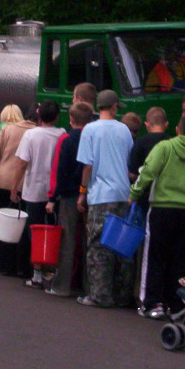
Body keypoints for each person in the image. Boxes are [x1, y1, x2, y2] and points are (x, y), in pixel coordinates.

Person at [130, 114, 185, 319]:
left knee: (156, 255)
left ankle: (153, 303)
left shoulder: (165, 147)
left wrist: (134, 194)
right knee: (179, 258)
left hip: (162, 208)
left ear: (178, 130)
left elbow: (148, 172)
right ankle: (175, 302)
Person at [76, 89, 135, 308]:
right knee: (120, 244)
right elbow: (128, 161)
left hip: (101, 193)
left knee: (97, 244)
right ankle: (122, 294)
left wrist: (83, 192)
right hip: (122, 192)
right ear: (113, 106)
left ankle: (99, 294)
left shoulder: (90, 130)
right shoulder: (124, 130)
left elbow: (88, 164)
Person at [13, 100, 67, 288]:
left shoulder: (31, 135)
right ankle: (52, 270)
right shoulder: (62, 134)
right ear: (57, 116)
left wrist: (14, 187)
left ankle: (36, 272)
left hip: (34, 190)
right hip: (55, 191)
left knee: (35, 232)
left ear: (38, 115)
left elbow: (21, 163)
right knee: (54, 230)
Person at [0, 104, 37, 275]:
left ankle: (5, 264)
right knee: (22, 224)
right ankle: (21, 265)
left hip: (2, 180)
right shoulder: (36, 132)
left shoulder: (7, 129)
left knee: (2, 224)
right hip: (23, 183)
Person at [45, 102, 93, 297]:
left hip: (70, 196)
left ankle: (62, 285)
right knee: (89, 241)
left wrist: (54, 197)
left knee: (67, 240)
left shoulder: (68, 140)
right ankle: (89, 287)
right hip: (91, 194)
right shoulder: (93, 138)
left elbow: (61, 171)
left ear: (71, 119)